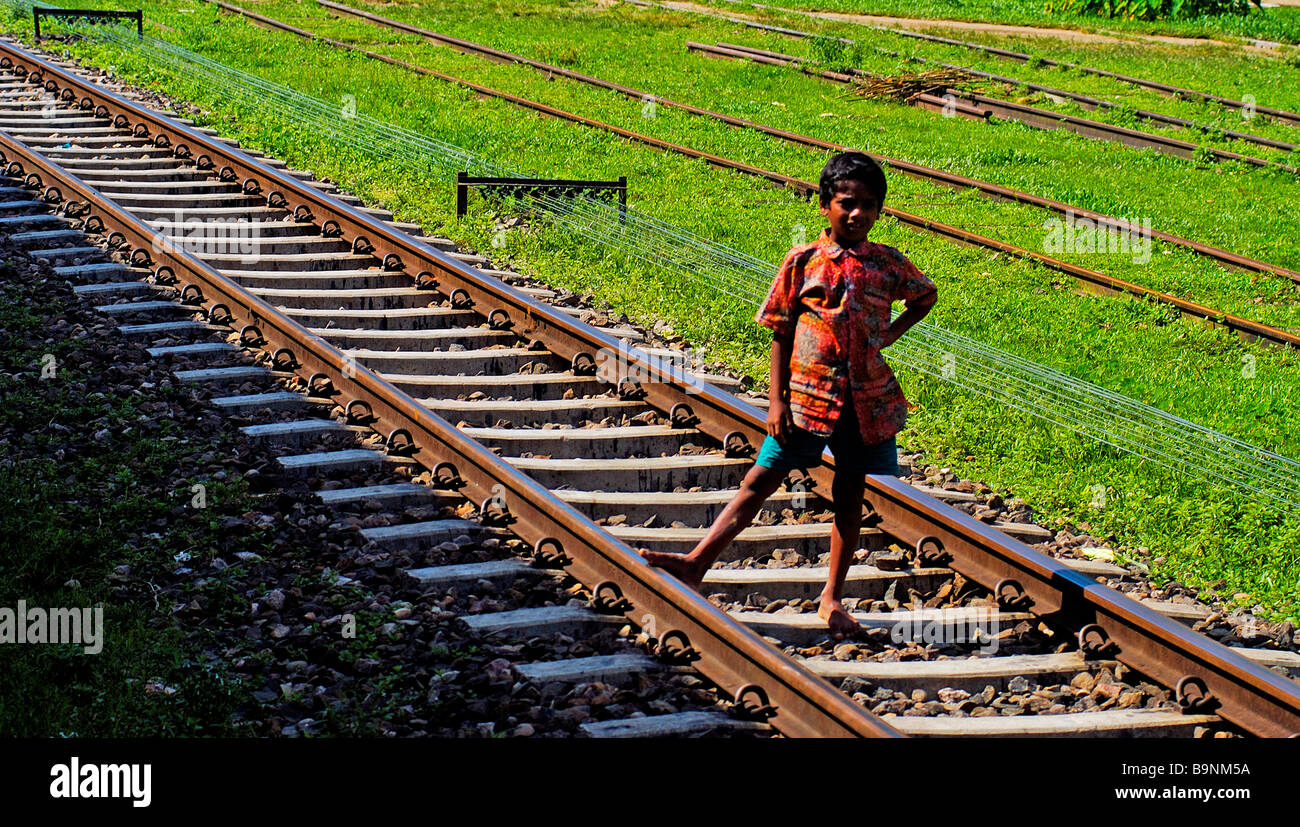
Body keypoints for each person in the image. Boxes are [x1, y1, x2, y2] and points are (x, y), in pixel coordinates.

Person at [641, 151, 938, 637]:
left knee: (850, 492)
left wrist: (890, 334)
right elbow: (779, 331)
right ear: (825, 205)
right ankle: (697, 561)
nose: (857, 213)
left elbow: (924, 296)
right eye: (846, 203)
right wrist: (776, 400)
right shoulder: (802, 262)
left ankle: (832, 598)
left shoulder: (887, 264)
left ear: (880, 209)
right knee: (760, 479)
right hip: (806, 399)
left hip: (865, 402)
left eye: (868, 205)